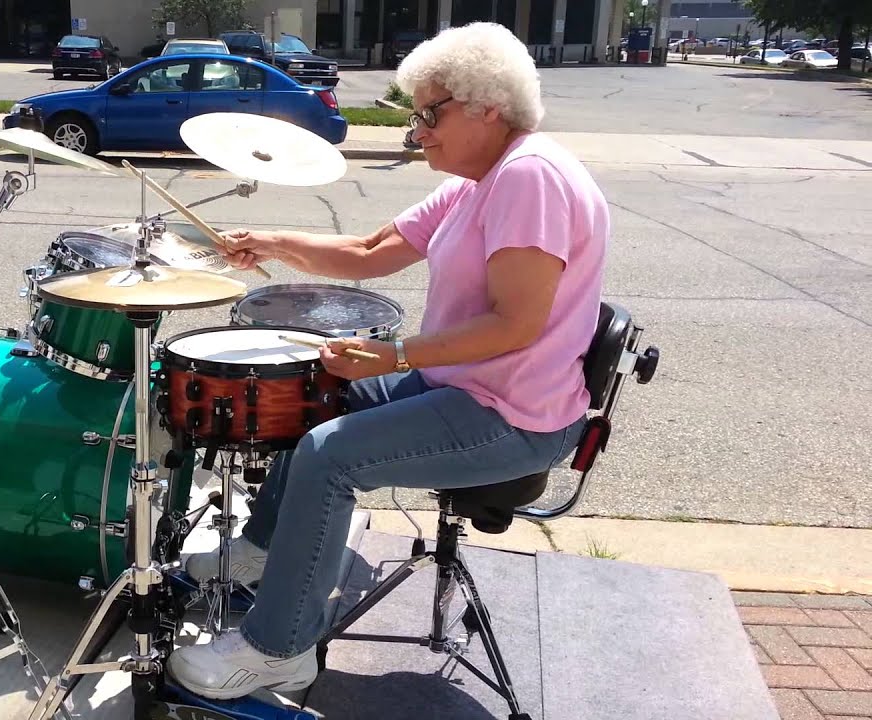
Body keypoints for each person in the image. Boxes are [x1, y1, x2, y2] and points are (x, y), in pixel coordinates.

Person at [166, 21, 609, 699]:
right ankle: (261, 553)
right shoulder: (476, 180)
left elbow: (516, 324)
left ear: (486, 107)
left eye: (430, 113)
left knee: (329, 455)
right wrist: (273, 241)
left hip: (513, 415)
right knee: (311, 389)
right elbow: (372, 253)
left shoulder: (530, 180)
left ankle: (278, 648)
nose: (417, 130)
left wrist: (391, 354)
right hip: (461, 385)